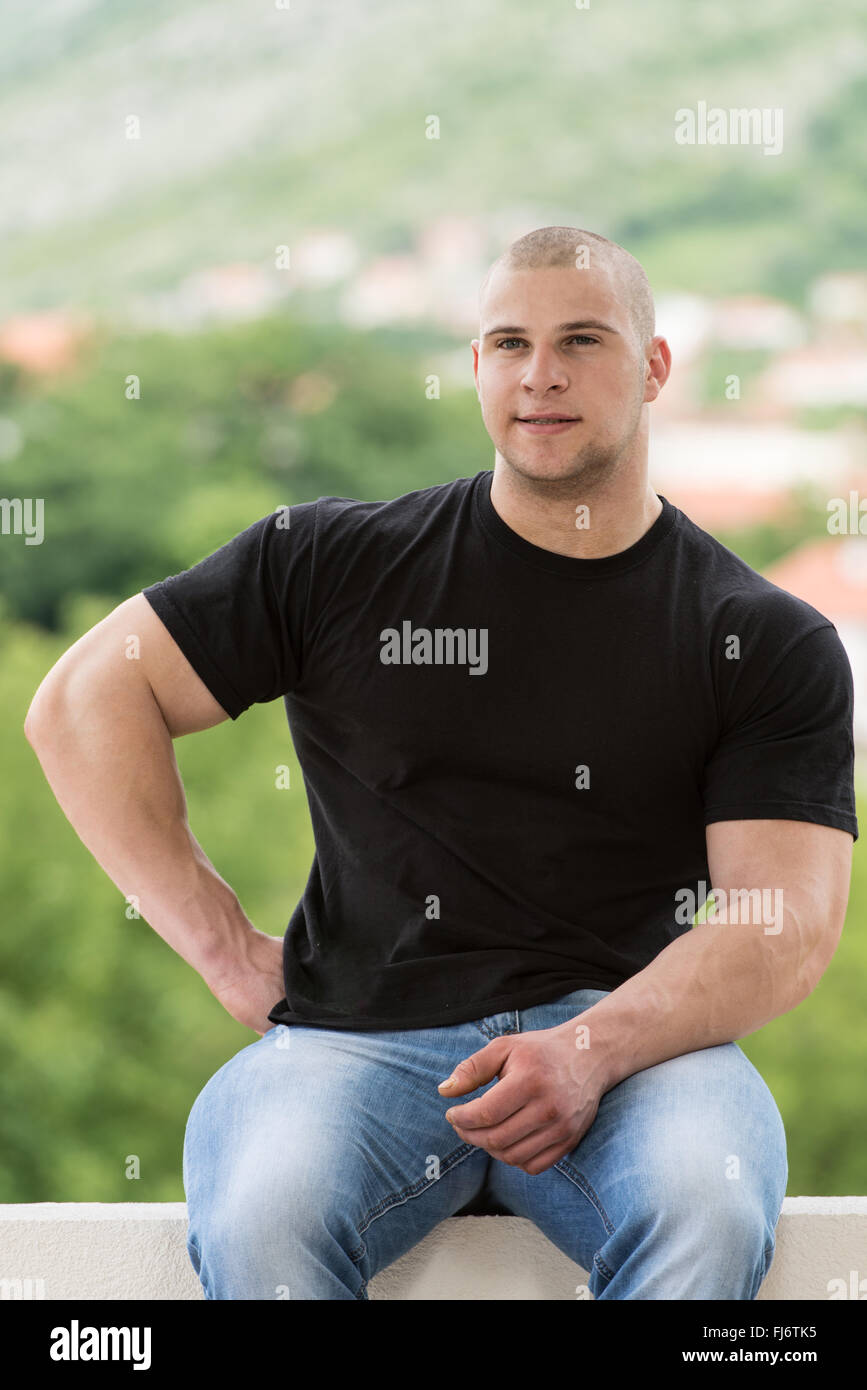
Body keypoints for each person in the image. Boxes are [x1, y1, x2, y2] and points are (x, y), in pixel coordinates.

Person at [24, 226, 857, 1301]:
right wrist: (225, 946)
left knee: (709, 1200)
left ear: (654, 367)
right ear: (476, 365)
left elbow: (783, 918)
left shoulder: (761, 634)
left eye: (582, 340)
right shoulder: (328, 562)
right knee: (266, 1215)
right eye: (508, 341)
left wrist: (592, 1047)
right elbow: (86, 701)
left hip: (641, 1048)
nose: (540, 373)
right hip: (357, 1041)